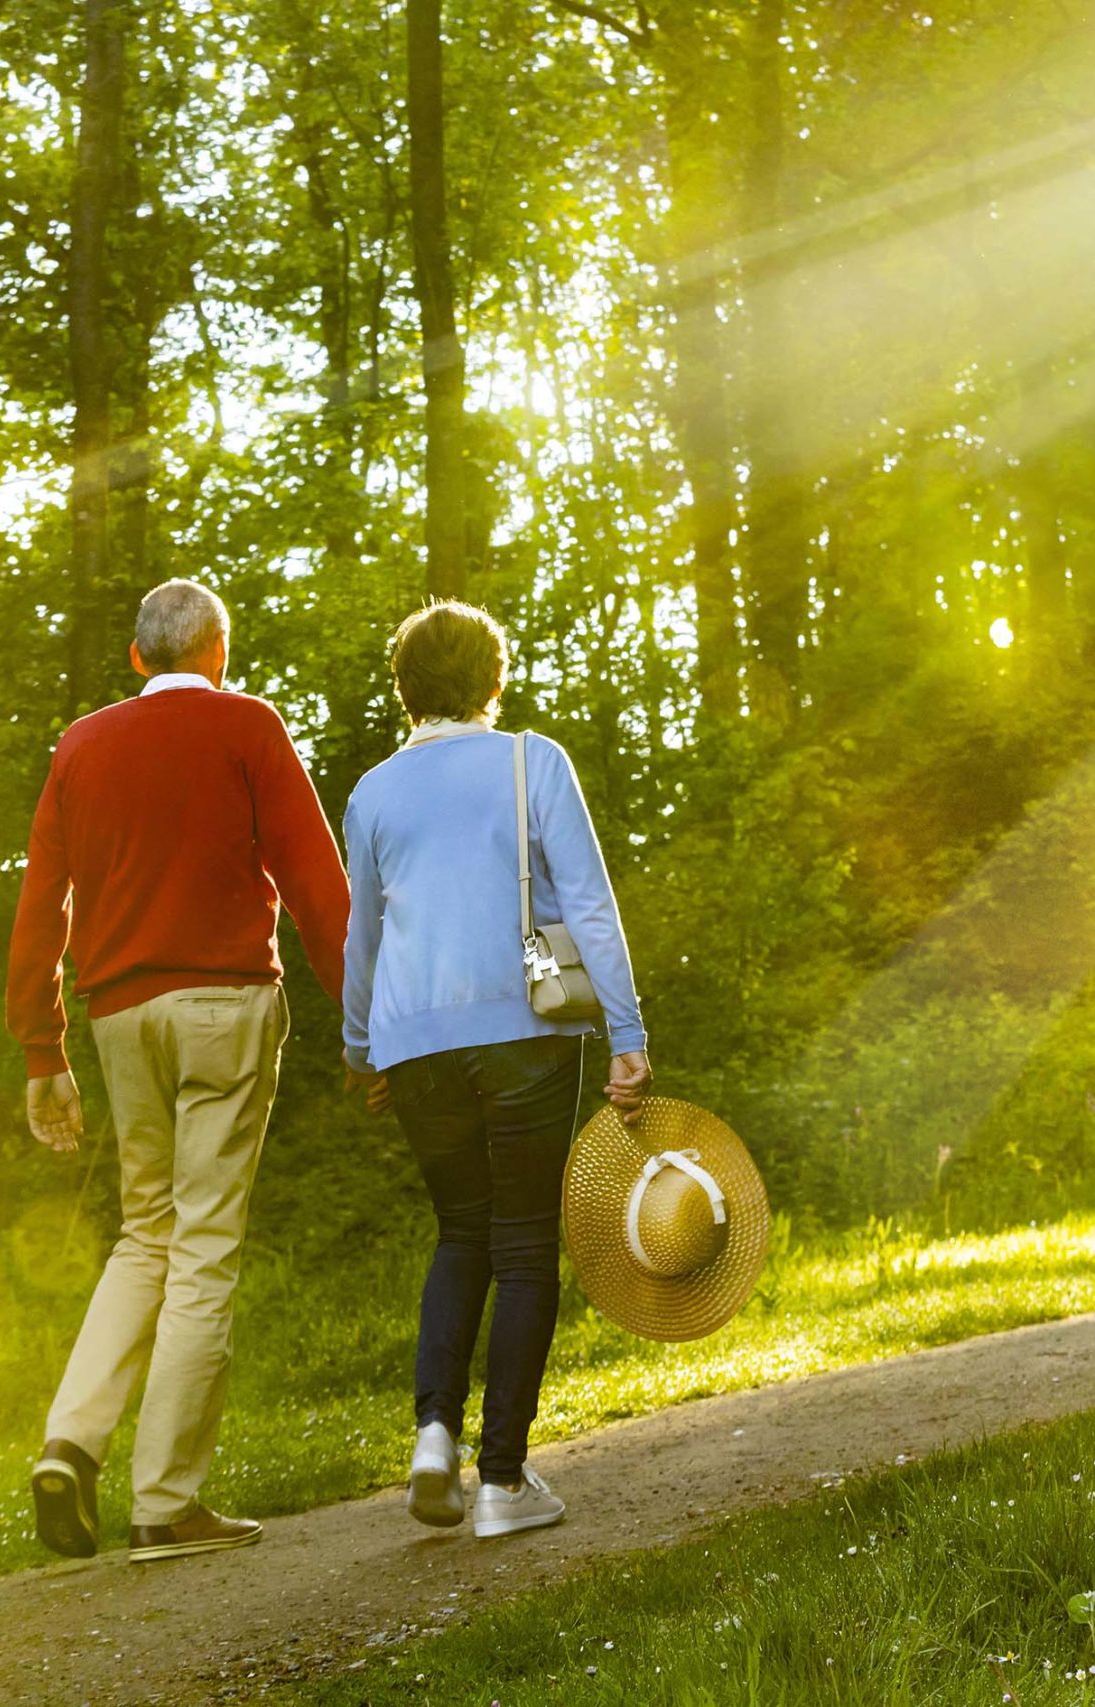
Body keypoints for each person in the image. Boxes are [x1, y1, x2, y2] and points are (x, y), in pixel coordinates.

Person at [5, 578, 349, 1563]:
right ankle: (165, 1501)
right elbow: (315, 884)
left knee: (145, 1232)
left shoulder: (81, 746)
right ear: (219, 653)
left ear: (136, 657)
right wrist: (365, 1018)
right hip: (224, 1007)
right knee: (200, 1246)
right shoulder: (247, 725)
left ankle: (70, 1443)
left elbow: (43, 900)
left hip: (119, 1017)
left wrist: (42, 1046)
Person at [340, 600, 650, 1539]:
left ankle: (434, 1435)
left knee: (459, 1233)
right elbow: (589, 906)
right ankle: (503, 1482)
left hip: (412, 1041)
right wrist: (627, 1031)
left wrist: (360, 1048)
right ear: (492, 680)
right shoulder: (532, 760)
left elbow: (362, 937)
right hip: (524, 1028)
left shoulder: (372, 792)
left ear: (405, 689)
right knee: (521, 1246)